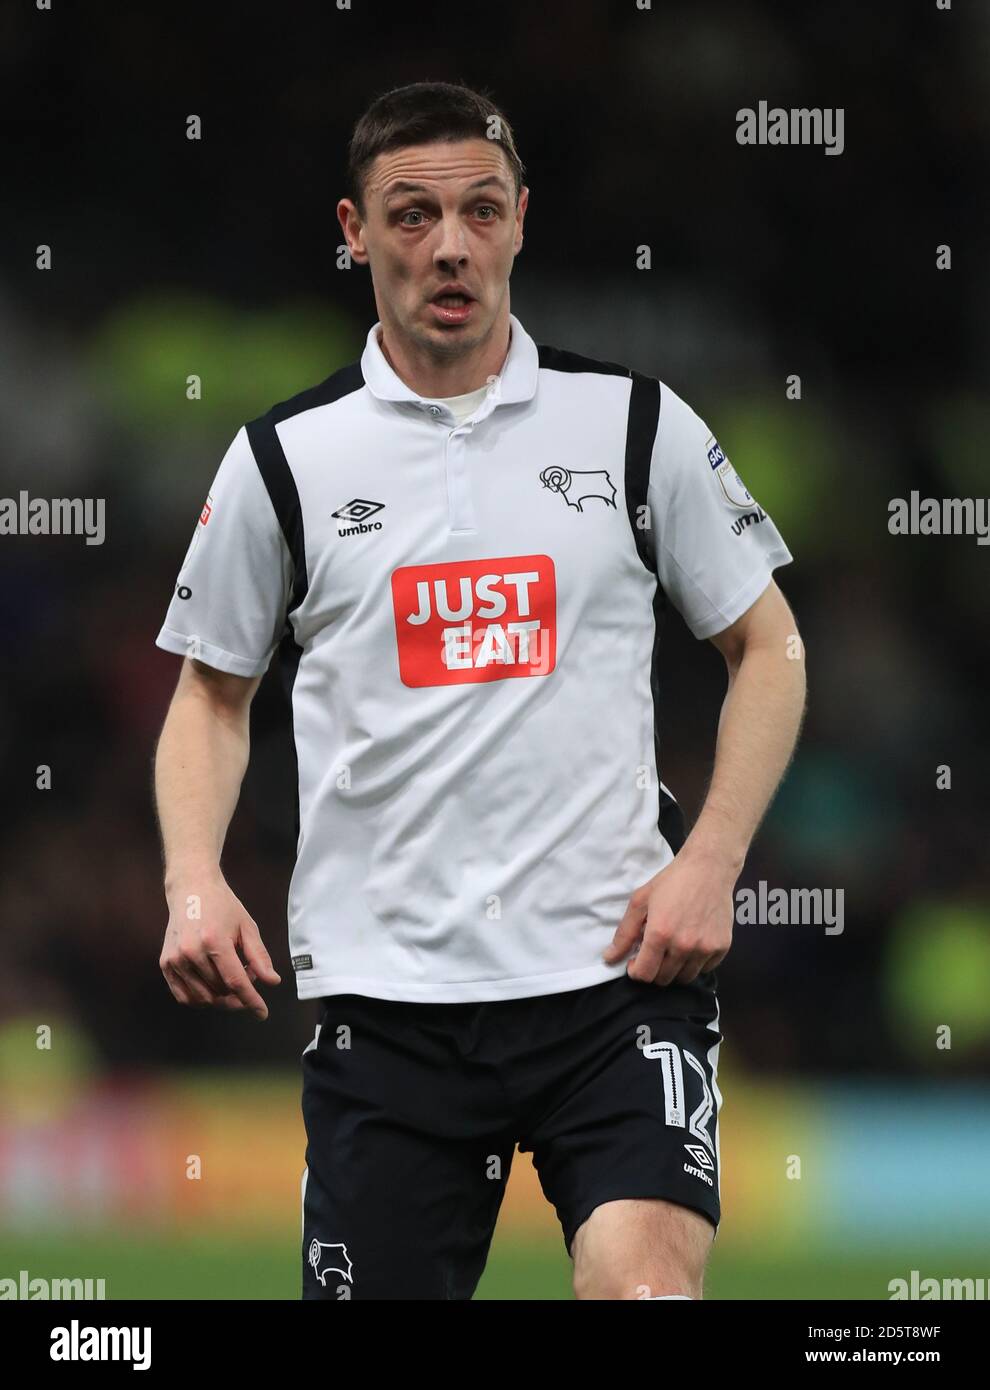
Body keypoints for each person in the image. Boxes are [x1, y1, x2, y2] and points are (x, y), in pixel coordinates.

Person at [153, 80, 806, 1301]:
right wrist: (194, 878)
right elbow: (209, 697)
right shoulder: (285, 461)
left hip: (616, 981)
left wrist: (713, 857)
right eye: (410, 215)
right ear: (352, 230)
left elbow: (769, 647)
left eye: (479, 209)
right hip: (390, 999)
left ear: (519, 221)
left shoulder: (632, 426)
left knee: (644, 1290)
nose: (448, 244)